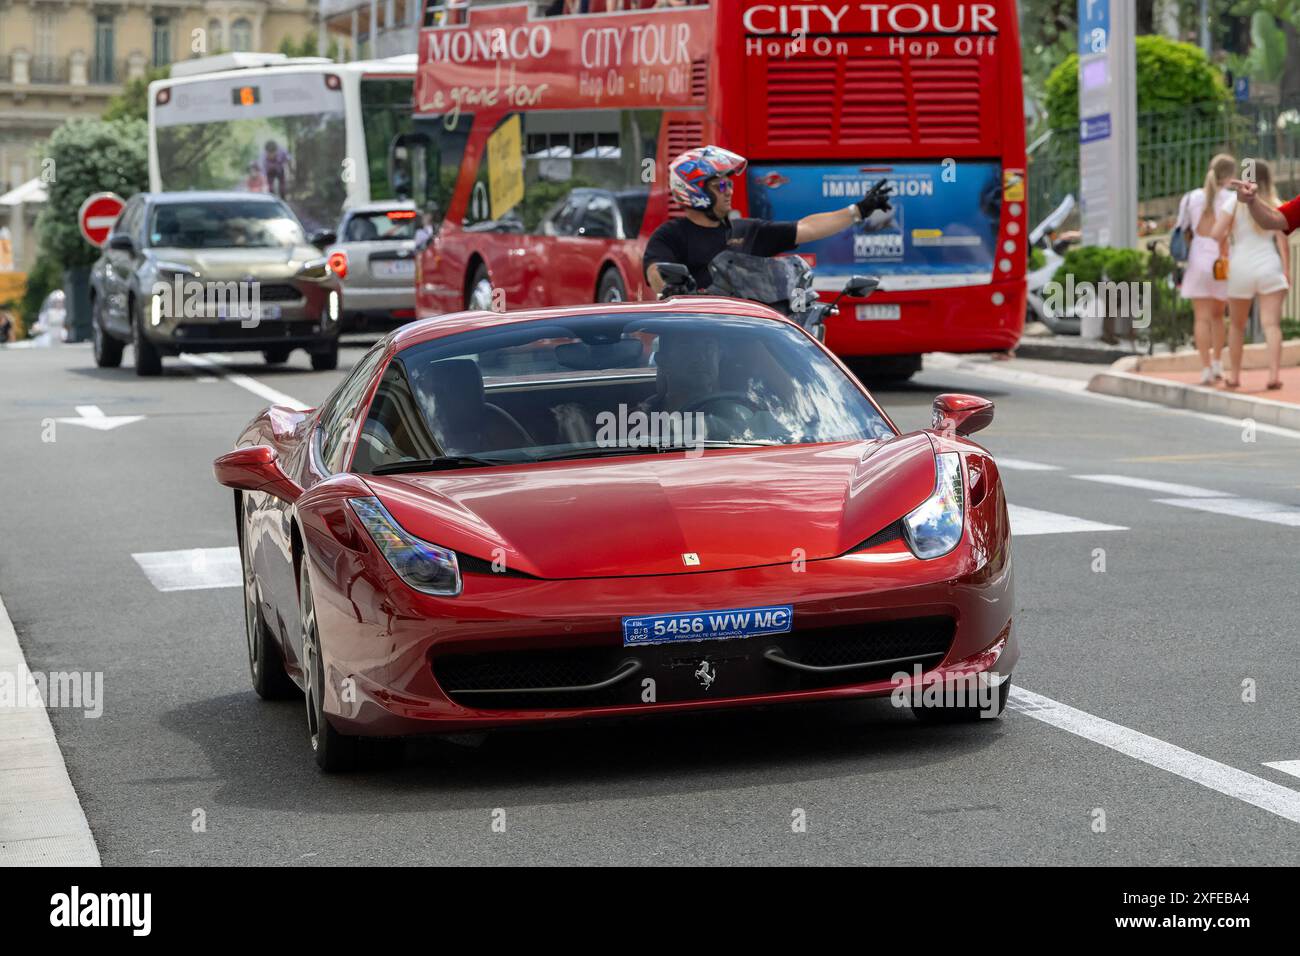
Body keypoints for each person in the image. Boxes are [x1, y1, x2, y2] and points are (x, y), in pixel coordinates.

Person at [643, 145, 892, 295]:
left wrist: (857, 211)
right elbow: (655, 270)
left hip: (746, 332)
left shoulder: (747, 230)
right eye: (720, 184)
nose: (729, 190)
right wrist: (669, 287)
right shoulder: (671, 235)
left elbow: (807, 228)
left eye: (730, 183)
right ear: (694, 190)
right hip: (697, 336)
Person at [1220, 160, 1289, 390]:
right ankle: (1273, 375)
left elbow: (1220, 232)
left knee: (1237, 326)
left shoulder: (1234, 202)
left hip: (1240, 267)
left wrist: (1223, 253)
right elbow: (1283, 242)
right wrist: (1286, 271)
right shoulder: (1275, 203)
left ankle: (1235, 376)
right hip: (1269, 266)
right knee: (1272, 325)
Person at [1177, 153, 1235, 385]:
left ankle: (1205, 368)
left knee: (1200, 318)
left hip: (1197, 259)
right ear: (1230, 175)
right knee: (1218, 316)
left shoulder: (1191, 198)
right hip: (1222, 258)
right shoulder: (1231, 199)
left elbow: (1182, 227)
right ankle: (1219, 362)